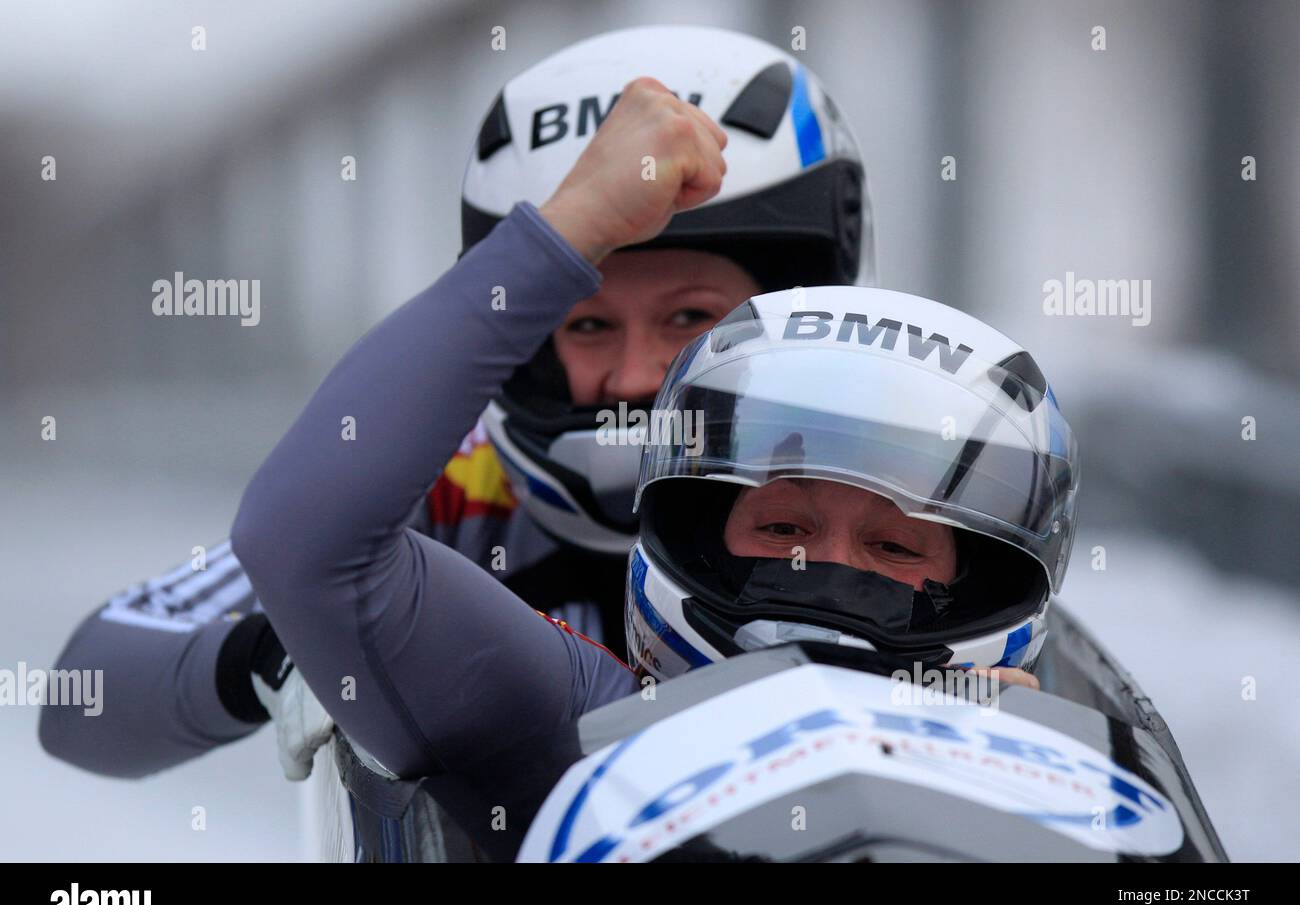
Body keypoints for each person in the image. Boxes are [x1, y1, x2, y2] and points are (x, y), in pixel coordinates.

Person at [38, 25, 869, 784]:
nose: (631, 374)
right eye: (586, 323)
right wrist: (277, 651)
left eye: (690, 318)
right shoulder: (454, 483)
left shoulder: (902, 489)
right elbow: (86, 696)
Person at [230, 229, 1080, 862]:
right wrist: (555, 233)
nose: (826, 569)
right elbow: (304, 536)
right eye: (784, 527)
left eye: (894, 547)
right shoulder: (575, 713)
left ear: (980, 584)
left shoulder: (1060, 775)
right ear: (698, 537)